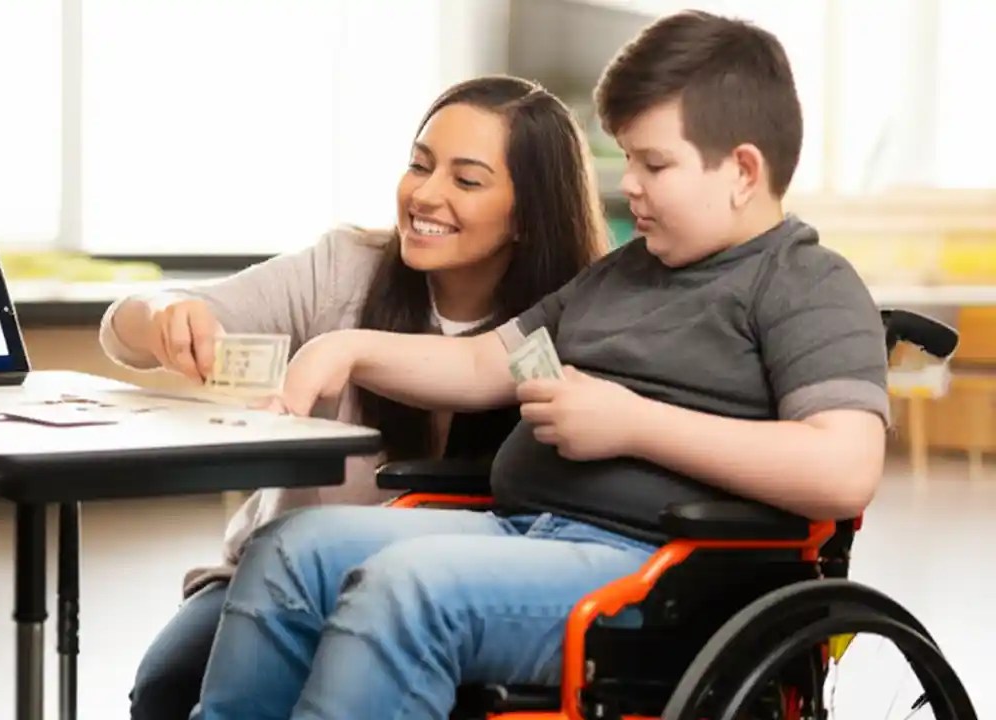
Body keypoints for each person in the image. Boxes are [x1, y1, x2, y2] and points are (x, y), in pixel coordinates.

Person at [192, 11, 891, 720]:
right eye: (627, 159)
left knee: (406, 587)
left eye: (655, 164)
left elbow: (842, 469)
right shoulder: (620, 275)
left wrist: (633, 425)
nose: (633, 186)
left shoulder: (806, 286)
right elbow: (481, 365)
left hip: (656, 574)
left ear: (742, 170)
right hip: (523, 535)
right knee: (290, 548)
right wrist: (346, 348)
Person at [98, 74, 609, 719]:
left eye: (466, 180)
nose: (426, 194)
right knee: (172, 686)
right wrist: (163, 314)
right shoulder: (345, 269)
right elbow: (124, 329)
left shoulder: (572, 314)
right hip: (280, 580)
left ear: (530, 215)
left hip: (441, 591)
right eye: (419, 165)